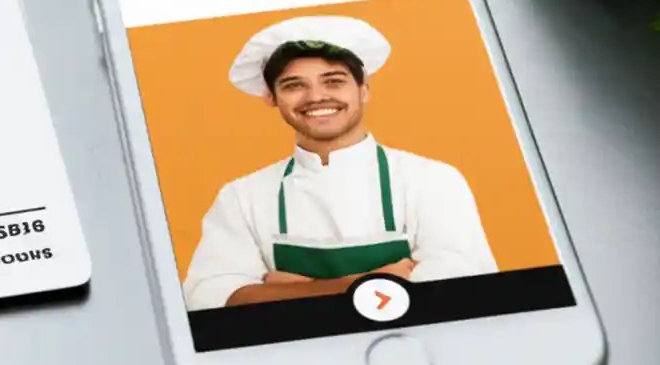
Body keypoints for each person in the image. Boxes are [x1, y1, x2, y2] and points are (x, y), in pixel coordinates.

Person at [182, 15, 498, 311]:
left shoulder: (432, 180)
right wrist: (362, 282)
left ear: (363, 90)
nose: (316, 97)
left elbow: (458, 286)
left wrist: (287, 289)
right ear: (272, 98)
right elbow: (209, 297)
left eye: (333, 81)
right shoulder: (242, 197)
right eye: (294, 85)